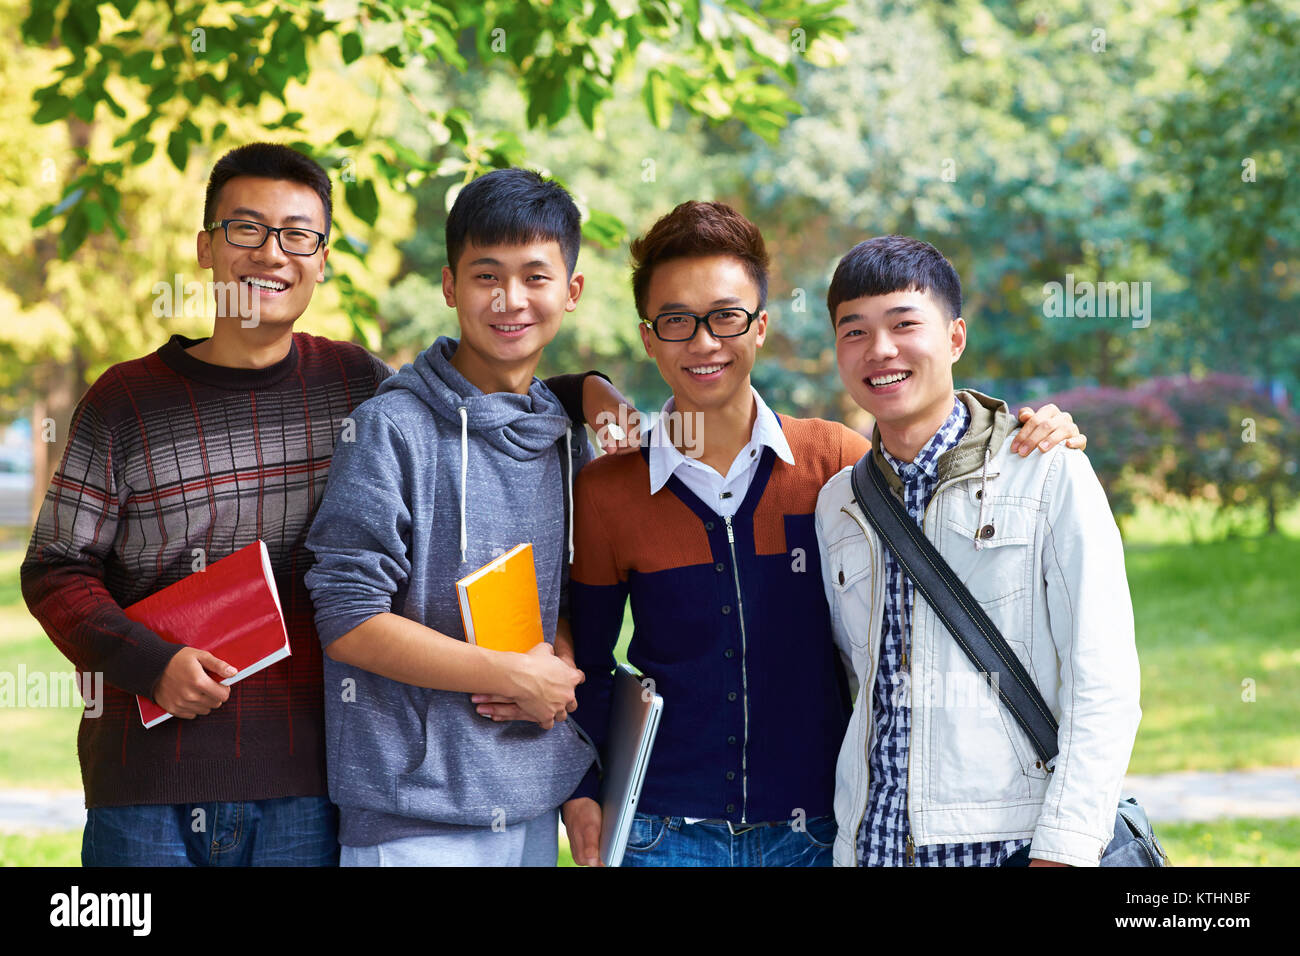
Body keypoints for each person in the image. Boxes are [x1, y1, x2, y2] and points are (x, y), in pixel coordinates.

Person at [21, 145, 624, 866]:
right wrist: (149, 662)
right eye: (246, 229)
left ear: (322, 257)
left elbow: (479, 394)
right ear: (206, 247)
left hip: (305, 786)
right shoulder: (126, 401)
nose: (272, 254)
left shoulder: (353, 382)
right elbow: (55, 569)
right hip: (148, 777)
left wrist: (585, 390)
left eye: (297, 235)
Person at [539, 201, 1085, 867]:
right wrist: (583, 789)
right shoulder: (608, 492)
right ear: (650, 338)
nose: (704, 342)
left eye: (726, 317)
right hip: (663, 834)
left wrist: (1029, 430)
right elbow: (591, 667)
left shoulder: (836, 464)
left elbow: (935, 467)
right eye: (677, 321)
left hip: (820, 831)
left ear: (760, 326)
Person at [303, 168, 606, 867]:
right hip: (410, 816)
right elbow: (347, 619)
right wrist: (510, 675)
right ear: (449, 286)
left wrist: (550, 661)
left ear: (572, 291)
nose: (510, 300)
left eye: (536, 276)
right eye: (486, 275)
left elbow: (562, 592)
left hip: (530, 795)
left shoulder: (567, 440)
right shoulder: (389, 429)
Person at [814, 234, 1141, 867]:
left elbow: (1103, 680)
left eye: (904, 324)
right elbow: (855, 680)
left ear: (955, 338)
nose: (880, 350)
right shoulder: (839, 504)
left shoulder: (1046, 472)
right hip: (873, 845)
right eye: (854, 332)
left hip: (1011, 846)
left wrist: (1065, 848)